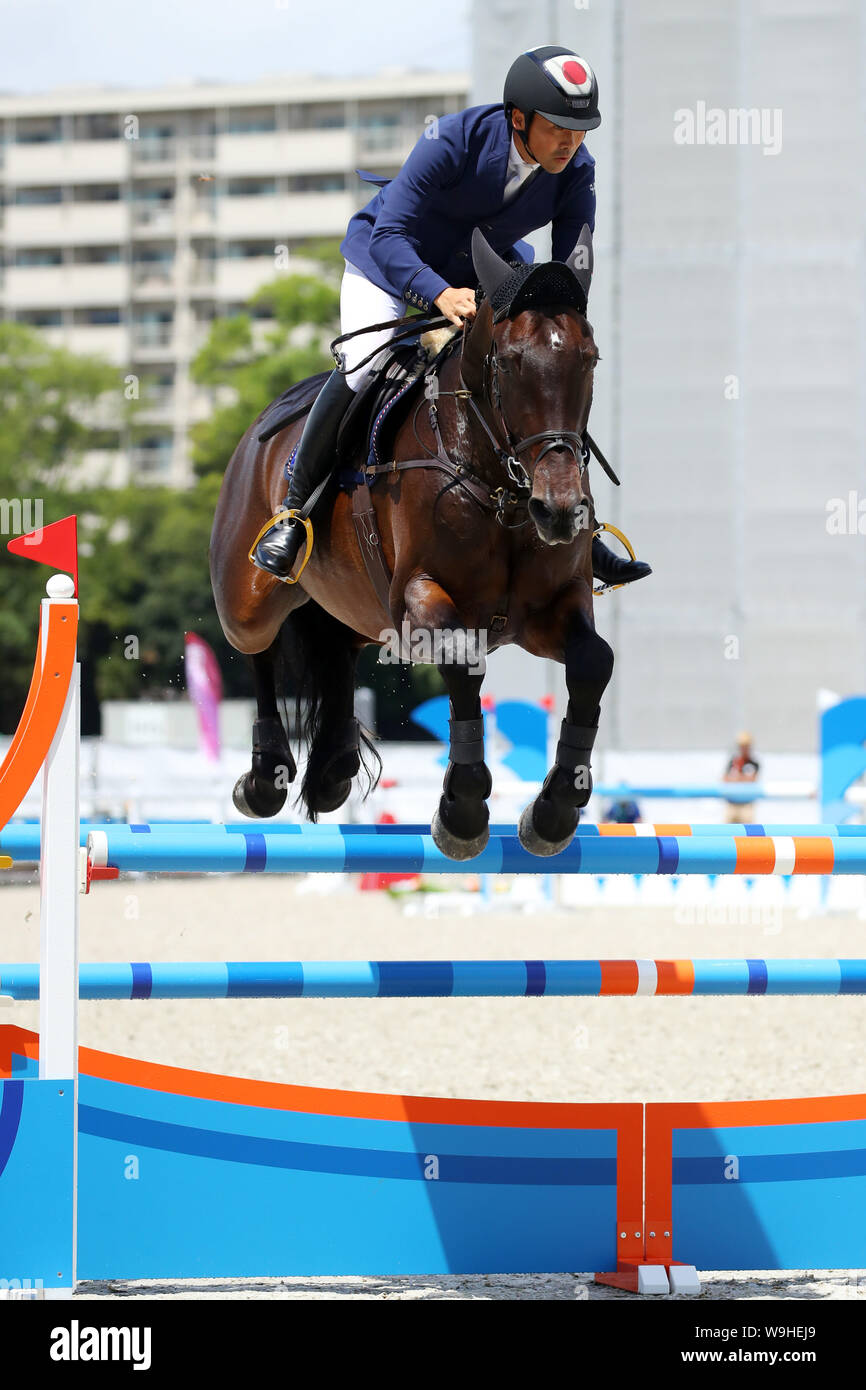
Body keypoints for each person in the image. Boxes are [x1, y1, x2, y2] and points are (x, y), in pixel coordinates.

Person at [253, 43, 653, 590]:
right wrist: (438, 295)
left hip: (481, 272)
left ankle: (578, 529)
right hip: (390, 264)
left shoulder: (576, 169)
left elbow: (572, 263)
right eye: (559, 126)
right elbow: (391, 234)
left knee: (545, 369)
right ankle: (294, 510)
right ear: (519, 117)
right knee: (361, 368)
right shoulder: (453, 141)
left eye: (581, 129)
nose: (571, 141)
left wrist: (560, 328)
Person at [723, 731, 760, 825]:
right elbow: (725, 779)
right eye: (742, 746)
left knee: (747, 831)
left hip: (746, 804)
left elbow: (753, 780)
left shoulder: (753, 763)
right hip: (732, 802)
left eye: (746, 746)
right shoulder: (733, 761)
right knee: (728, 830)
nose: (743, 749)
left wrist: (737, 778)